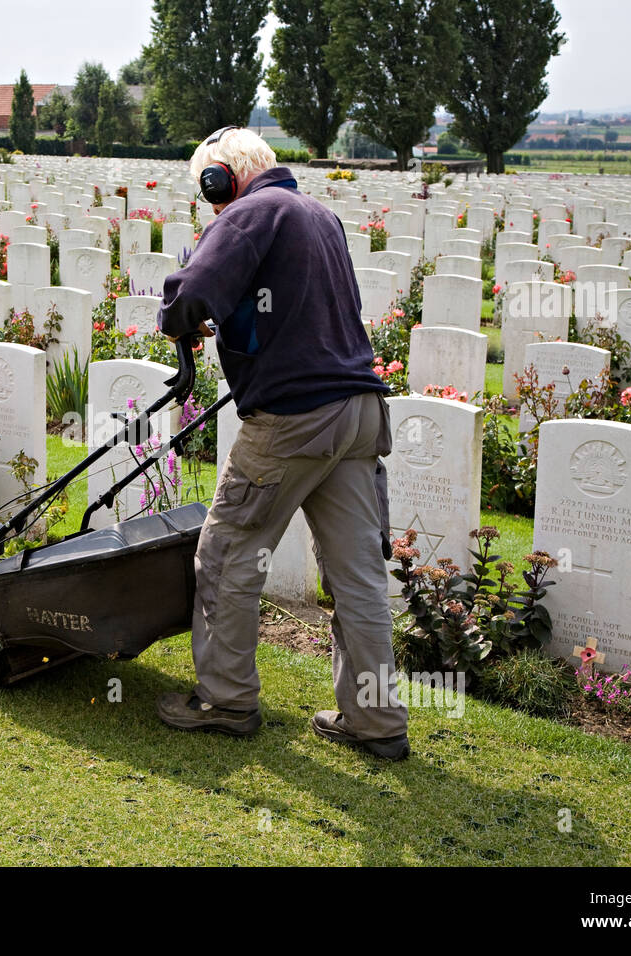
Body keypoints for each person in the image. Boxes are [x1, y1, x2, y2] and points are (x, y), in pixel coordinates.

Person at [153, 126, 409, 760]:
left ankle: (226, 699)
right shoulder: (320, 215)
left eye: (208, 191)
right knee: (357, 578)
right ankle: (375, 721)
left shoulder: (250, 210)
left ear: (222, 178)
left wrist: (179, 319)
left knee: (228, 554)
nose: (210, 205)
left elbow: (189, 294)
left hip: (295, 418)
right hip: (359, 412)